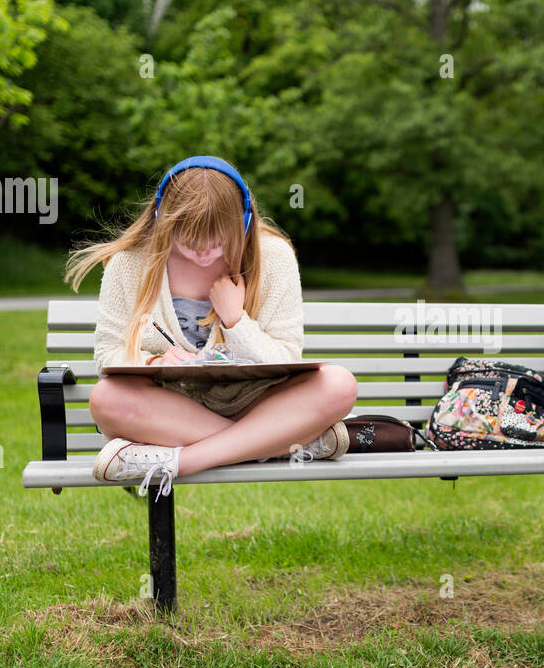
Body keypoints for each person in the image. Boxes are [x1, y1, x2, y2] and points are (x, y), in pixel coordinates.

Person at [64, 155, 358, 500]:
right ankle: (276, 443)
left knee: (339, 384)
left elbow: (287, 354)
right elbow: (107, 353)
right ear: (163, 222)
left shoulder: (274, 256)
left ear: (244, 222)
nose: (204, 255)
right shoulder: (130, 262)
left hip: (255, 401)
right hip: (170, 409)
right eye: (189, 243)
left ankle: (178, 462)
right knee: (106, 399)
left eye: (218, 242)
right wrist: (152, 363)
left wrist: (235, 320)